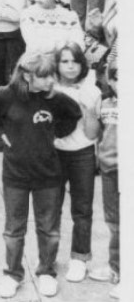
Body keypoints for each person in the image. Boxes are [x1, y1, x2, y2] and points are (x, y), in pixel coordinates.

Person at [0, 50, 82, 299]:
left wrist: (56, 133)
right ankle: (12, 274)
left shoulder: (55, 98)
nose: (50, 82)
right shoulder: (6, 95)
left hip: (48, 176)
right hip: (15, 176)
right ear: (26, 75)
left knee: (49, 229)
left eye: (51, 76)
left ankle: (46, 271)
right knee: (14, 230)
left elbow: (74, 113)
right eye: (44, 77)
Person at [52, 41, 103, 285]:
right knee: (51, 207)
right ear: (57, 64)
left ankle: (79, 258)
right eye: (64, 61)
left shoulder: (91, 90)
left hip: (82, 153)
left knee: (82, 209)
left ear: (82, 64)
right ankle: (48, 256)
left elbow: (93, 134)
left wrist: (87, 107)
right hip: (54, 153)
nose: (70, 67)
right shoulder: (49, 87)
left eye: (75, 61)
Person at [91, 61, 119, 297]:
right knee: (114, 221)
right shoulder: (106, 104)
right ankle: (115, 267)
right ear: (110, 80)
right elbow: (98, 134)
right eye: (118, 78)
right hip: (109, 170)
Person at [19, 0, 86, 56]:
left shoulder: (70, 16)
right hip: (38, 64)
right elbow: (34, 46)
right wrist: (64, 44)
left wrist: (51, 45)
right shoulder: (28, 14)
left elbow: (79, 46)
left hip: (64, 63)